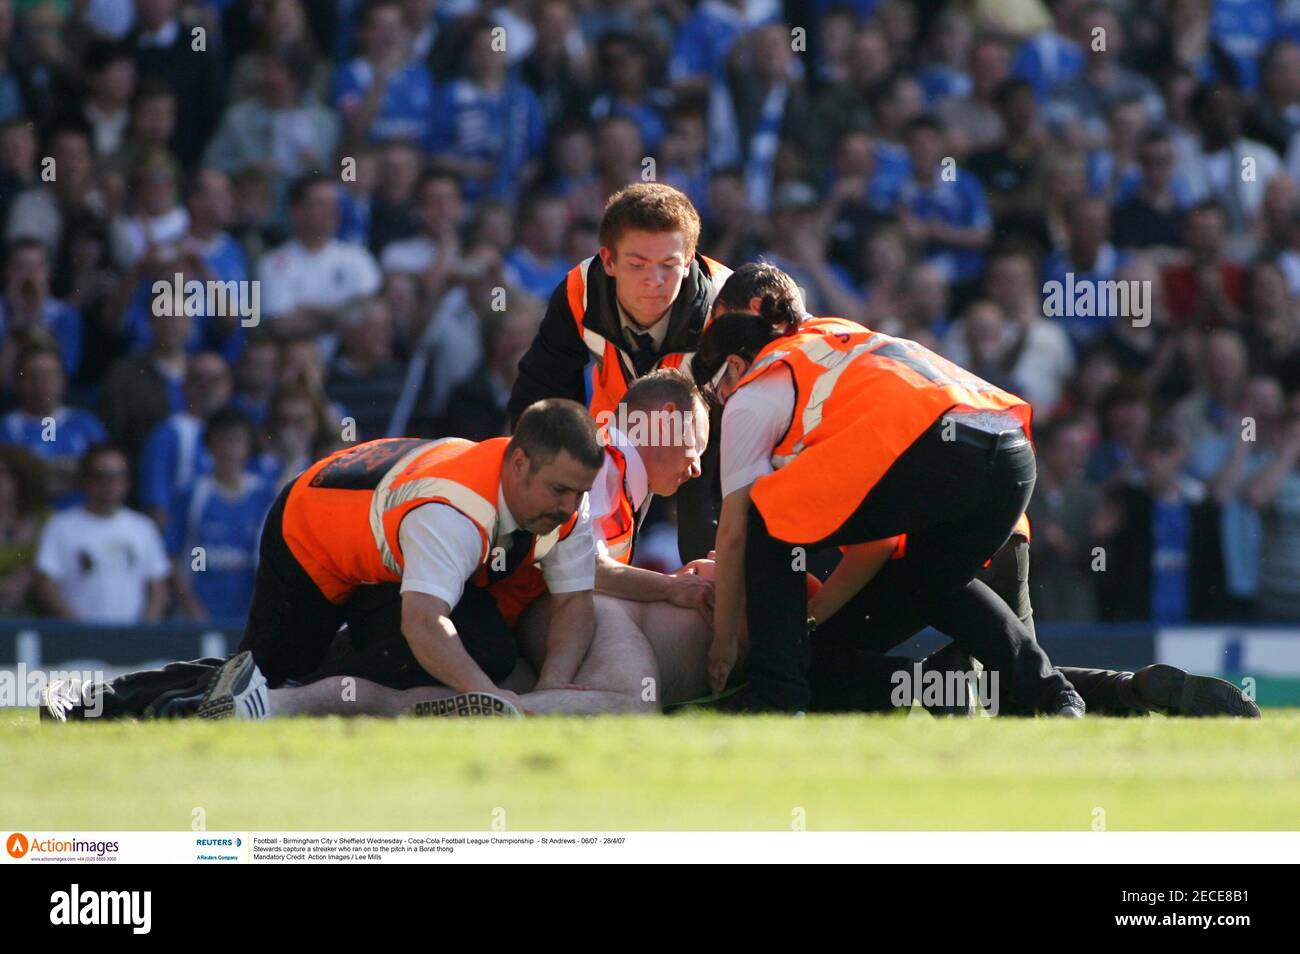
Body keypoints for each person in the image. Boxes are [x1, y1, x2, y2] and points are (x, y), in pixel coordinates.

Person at [690, 270, 1083, 715]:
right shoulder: (839, 339)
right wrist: (809, 622)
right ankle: (1052, 695)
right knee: (933, 581)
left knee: (765, 516)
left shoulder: (760, 384)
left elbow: (736, 533)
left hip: (937, 454)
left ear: (735, 363)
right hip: (1010, 453)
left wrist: (724, 641)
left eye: (717, 390)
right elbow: (876, 544)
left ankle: (777, 696)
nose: (722, 401)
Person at [507, 182, 731, 561]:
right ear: (608, 261)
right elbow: (541, 394)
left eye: (669, 265)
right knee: (570, 543)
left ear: (689, 259)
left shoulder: (726, 307)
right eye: (637, 264)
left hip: (703, 438)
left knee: (707, 547)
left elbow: (737, 432)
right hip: (615, 429)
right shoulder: (580, 290)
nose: (654, 281)